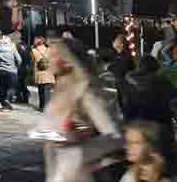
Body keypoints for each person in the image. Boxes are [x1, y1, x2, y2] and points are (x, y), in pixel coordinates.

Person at [41, 39, 123, 182]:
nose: (48, 59)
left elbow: (114, 137)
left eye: (54, 55)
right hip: (57, 170)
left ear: (67, 60)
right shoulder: (62, 87)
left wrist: (77, 151)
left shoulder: (85, 91)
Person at [122, 56, 177, 138]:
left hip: (139, 127)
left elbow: (126, 105)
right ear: (155, 67)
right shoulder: (161, 81)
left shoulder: (129, 82)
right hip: (161, 126)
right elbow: (175, 95)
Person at [0, 34, 21, 110]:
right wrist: (16, 66)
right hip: (11, 71)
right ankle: (7, 99)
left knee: (2, 87)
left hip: (1, 71)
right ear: (9, 41)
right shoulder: (13, 48)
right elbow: (19, 60)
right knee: (12, 87)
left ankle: (4, 105)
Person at [111, 34, 136, 112]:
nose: (113, 42)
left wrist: (111, 68)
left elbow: (121, 70)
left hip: (124, 85)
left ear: (121, 44)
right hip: (119, 84)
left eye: (116, 41)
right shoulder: (118, 55)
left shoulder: (125, 56)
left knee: (123, 105)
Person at [31, 36, 55, 112]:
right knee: (47, 91)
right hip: (49, 73)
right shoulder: (50, 50)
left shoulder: (33, 50)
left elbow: (32, 61)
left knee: (41, 90)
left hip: (39, 74)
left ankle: (42, 106)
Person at [15, 37, 32, 104]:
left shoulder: (20, 51)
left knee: (19, 85)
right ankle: (25, 98)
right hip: (24, 70)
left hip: (20, 70)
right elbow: (29, 61)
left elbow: (18, 60)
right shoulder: (27, 52)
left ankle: (19, 97)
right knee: (22, 84)